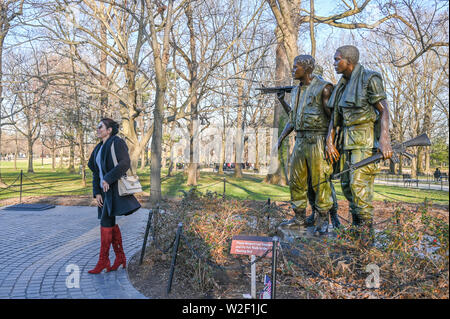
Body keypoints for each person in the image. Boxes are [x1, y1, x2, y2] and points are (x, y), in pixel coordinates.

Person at [325, 45, 393, 244]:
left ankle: (366, 237)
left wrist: (385, 139)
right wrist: (330, 141)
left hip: (364, 140)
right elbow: (335, 118)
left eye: (337, 59)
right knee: (347, 187)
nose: (334, 63)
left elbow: (384, 110)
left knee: (359, 187)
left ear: (349, 61)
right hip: (346, 141)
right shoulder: (342, 86)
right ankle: (356, 232)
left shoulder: (370, 78)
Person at [276, 55, 337, 235]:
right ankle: (300, 218)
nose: (293, 70)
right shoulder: (295, 91)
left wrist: (330, 141)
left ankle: (323, 220)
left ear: (307, 68)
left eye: (296, 67)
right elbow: (293, 119)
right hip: (300, 141)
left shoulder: (324, 88)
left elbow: (334, 116)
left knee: (320, 181)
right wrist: (281, 138)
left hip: (318, 139)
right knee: (297, 180)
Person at [87, 118, 141, 274]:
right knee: (108, 223)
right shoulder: (98, 148)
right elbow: (96, 172)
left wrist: (108, 178)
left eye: (100, 127)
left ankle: (104, 261)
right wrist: (96, 192)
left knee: (106, 222)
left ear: (109, 130)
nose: (97, 129)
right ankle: (120, 258)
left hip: (115, 190)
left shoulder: (117, 142)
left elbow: (125, 163)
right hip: (104, 192)